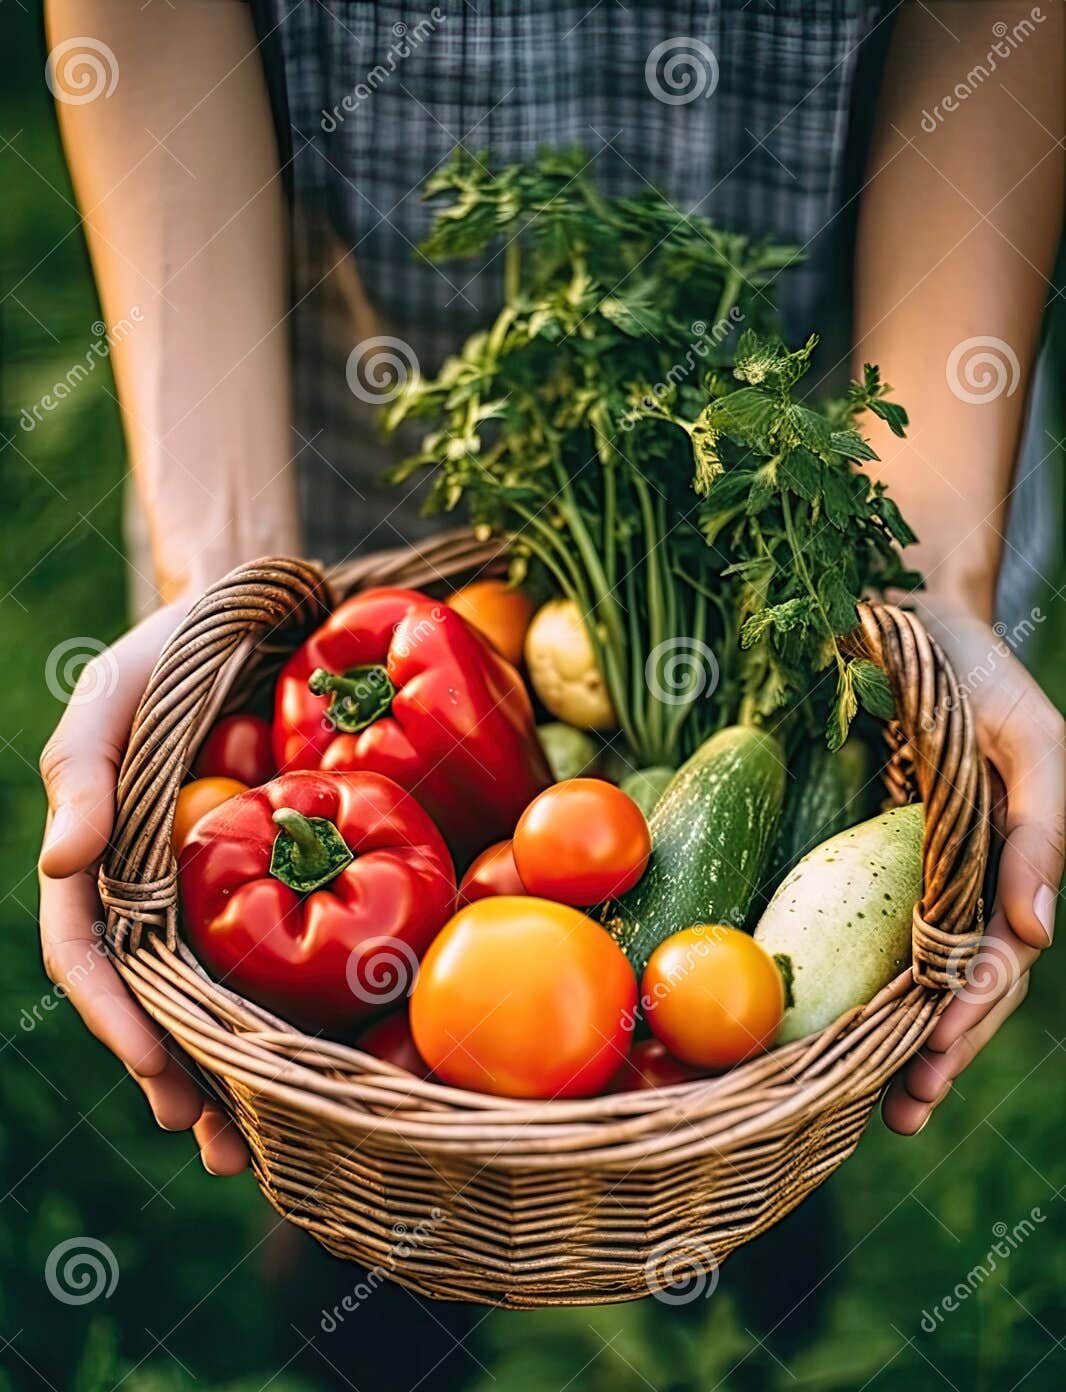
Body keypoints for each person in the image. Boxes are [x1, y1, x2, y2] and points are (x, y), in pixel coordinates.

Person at [39, 0, 1064, 1179]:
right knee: (334, 1074)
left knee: (744, 1060)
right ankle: (350, 1238)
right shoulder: (338, 688)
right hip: (319, 415)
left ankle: (753, 1186)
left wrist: (916, 580)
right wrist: (220, 583)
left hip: (843, 425)